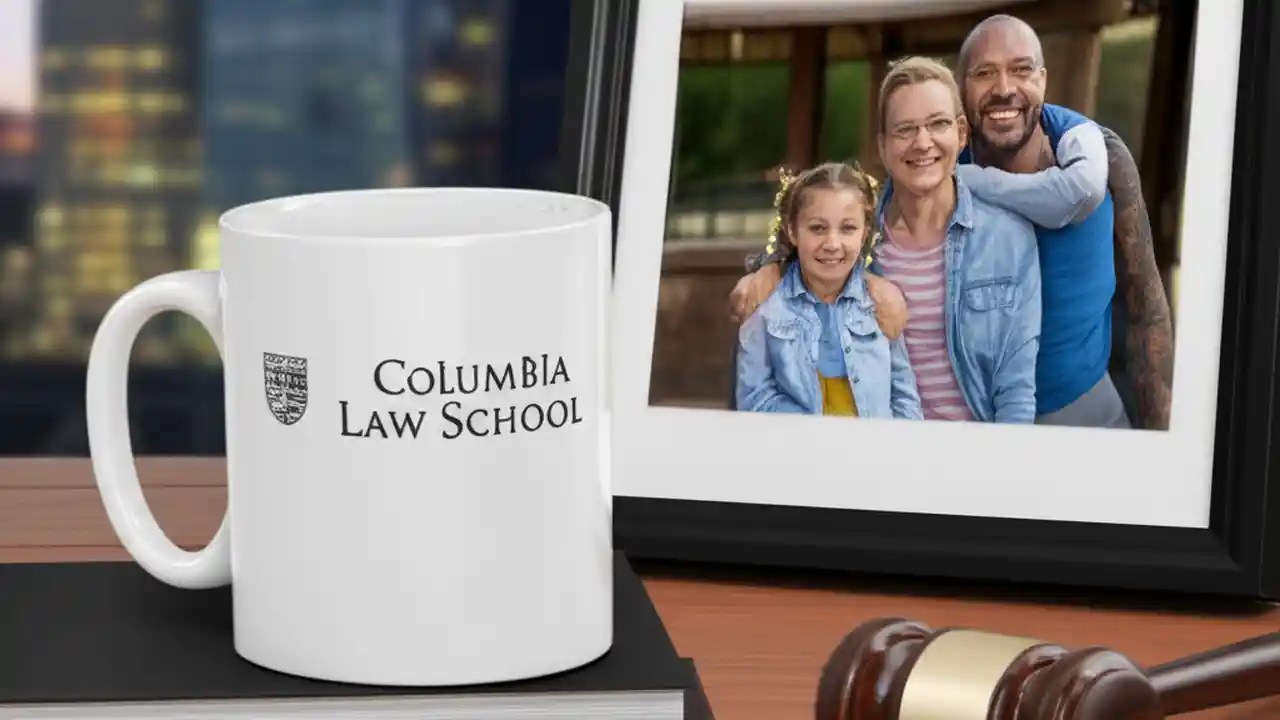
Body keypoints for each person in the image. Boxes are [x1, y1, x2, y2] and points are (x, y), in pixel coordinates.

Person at [730, 14, 1173, 429]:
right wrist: (774, 268)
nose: (1004, 88)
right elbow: (824, 226)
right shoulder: (883, 218)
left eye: (1021, 69)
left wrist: (1167, 441)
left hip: (1067, 417)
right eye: (984, 73)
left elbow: (1146, 304)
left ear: (1043, 78)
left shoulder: (1092, 165)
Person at [736, 162, 923, 419]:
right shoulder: (765, 304)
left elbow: (904, 398)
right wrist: (825, 433)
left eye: (848, 228)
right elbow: (754, 399)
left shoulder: (882, 305)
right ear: (792, 231)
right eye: (818, 228)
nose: (832, 244)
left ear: (864, 233)